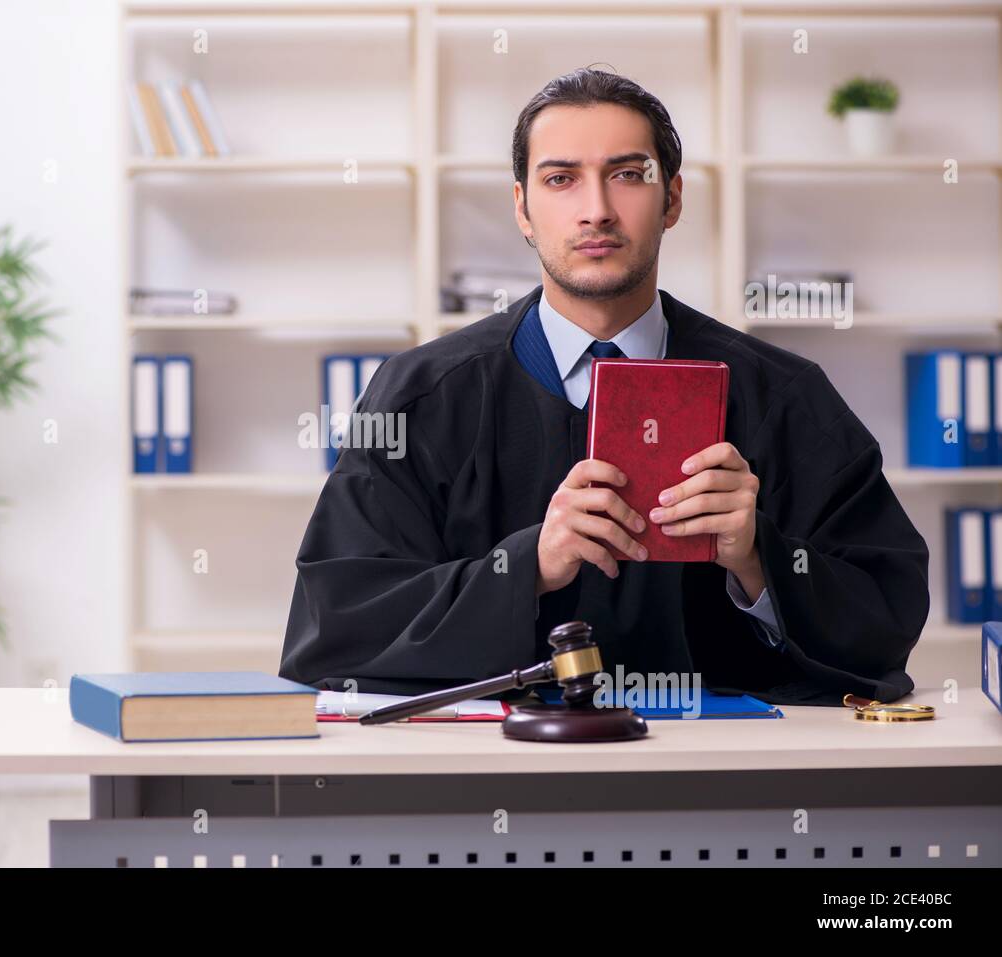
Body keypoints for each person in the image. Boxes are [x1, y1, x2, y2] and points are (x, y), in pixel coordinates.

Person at [278, 68, 929, 706]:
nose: (596, 210)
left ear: (672, 199)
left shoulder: (786, 396)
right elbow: (335, 629)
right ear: (523, 208)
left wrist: (762, 558)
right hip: (487, 781)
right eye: (561, 179)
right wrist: (524, 568)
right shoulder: (416, 396)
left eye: (627, 175)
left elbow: (889, 618)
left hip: (728, 785)